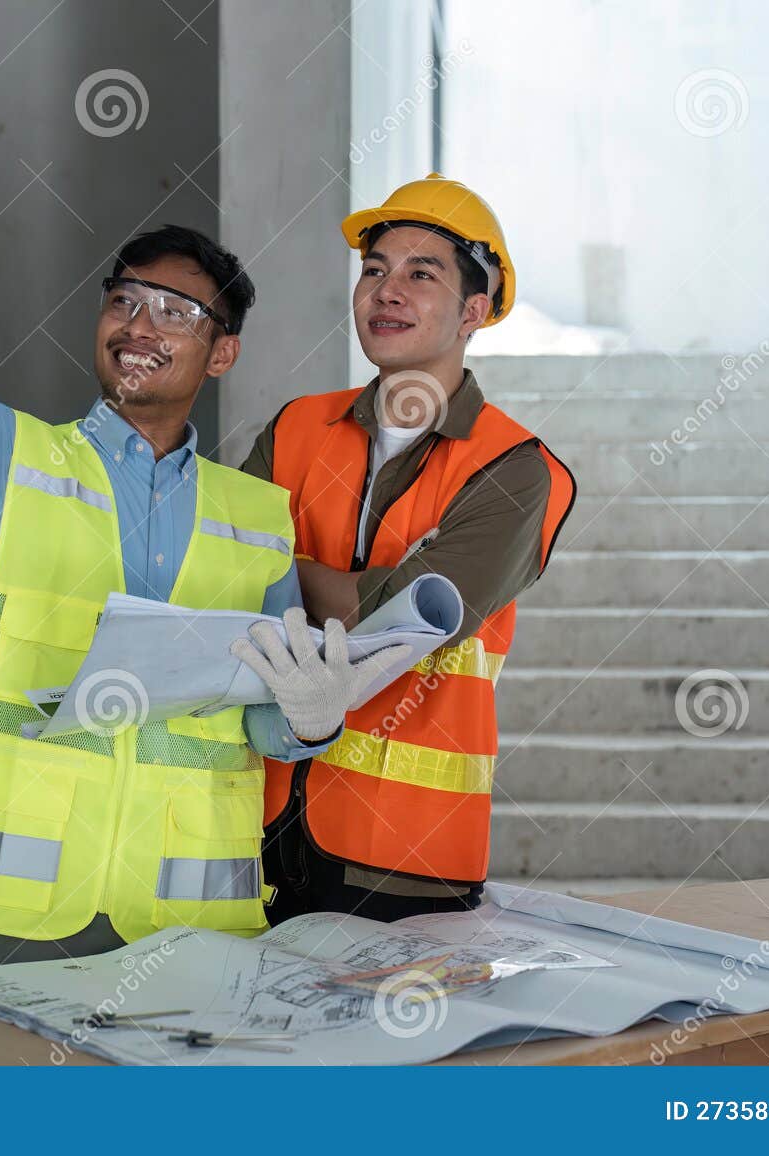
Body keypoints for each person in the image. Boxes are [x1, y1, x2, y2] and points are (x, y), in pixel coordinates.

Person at [0, 152, 409, 961]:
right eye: (123, 300)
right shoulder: (11, 459)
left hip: (183, 929)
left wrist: (311, 718)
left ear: (221, 354)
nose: (139, 325)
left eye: (174, 310)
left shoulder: (258, 519)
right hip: (3, 913)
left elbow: (260, 724)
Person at [240, 173, 577, 923]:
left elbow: (416, 618)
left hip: (406, 867)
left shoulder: (515, 469)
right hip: (246, 837)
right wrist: (366, 586)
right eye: (374, 271)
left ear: (475, 311)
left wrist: (284, 577)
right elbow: (220, 575)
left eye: (421, 274)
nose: (386, 291)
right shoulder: (297, 428)